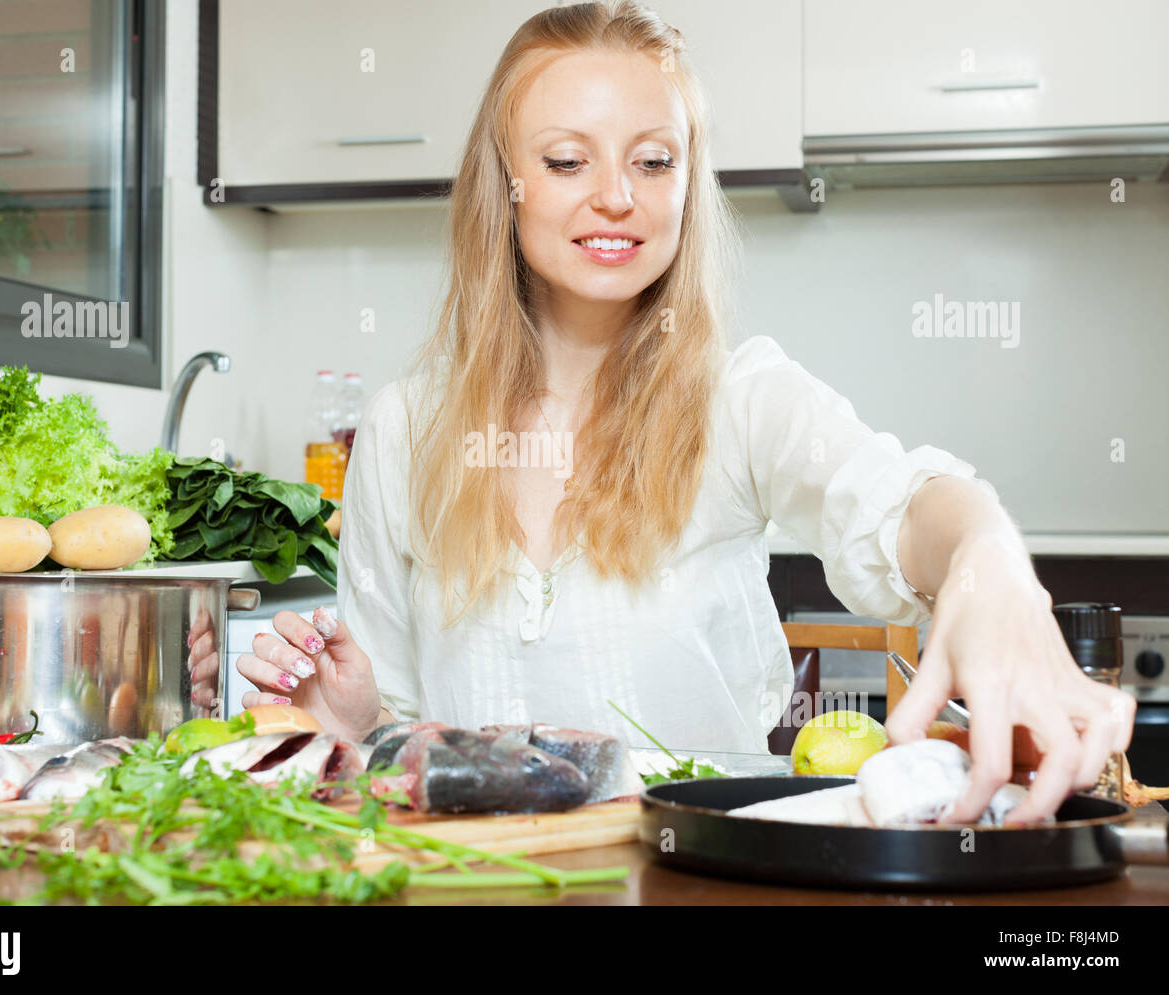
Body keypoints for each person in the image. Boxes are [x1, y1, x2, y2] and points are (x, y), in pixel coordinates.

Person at [232, 1, 1134, 824]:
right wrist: (352, 721)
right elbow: (394, 739)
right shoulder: (405, 429)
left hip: (698, 880)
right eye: (566, 159)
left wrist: (990, 567)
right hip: (485, 886)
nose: (617, 194)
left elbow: (910, 505)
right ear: (504, 182)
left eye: (653, 159)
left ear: (686, 182)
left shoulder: (741, 401)